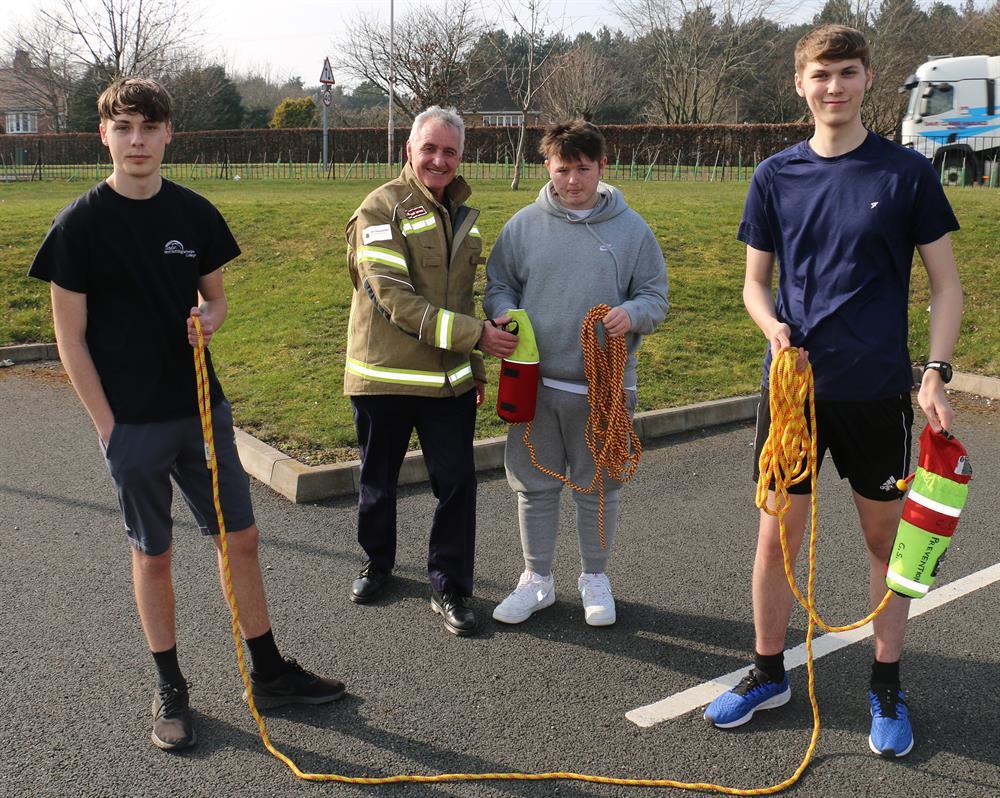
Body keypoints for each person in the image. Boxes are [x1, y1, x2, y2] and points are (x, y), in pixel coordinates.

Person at [28, 78, 344, 752]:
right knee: (155, 555)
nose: (137, 140)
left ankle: (269, 672)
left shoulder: (193, 213)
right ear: (104, 136)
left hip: (202, 411)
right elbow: (69, 340)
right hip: (132, 425)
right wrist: (108, 429)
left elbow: (216, 300)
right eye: (123, 127)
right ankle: (170, 686)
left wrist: (211, 318)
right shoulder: (77, 226)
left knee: (241, 539)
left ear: (169, 133)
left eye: (149, 127)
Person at [702, 25, 963, 760]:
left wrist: (935, 372)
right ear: (800, 84)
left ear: (867, 78)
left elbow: (947, 285)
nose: (834, 87)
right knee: (775, 538)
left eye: (847, 72)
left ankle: (886, 686)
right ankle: (767, 674)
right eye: (820, 74)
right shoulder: (774, 175)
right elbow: (755, 284)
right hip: (793, 395)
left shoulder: (907, 174)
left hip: (875, 392)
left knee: (886, 542)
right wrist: (772, 329)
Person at [484, 120, 668, 627]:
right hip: (537, 385)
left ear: (602, 166)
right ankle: (536, 579)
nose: (572, 180)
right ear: (547, 166)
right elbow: (498, 285)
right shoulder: (523, 226)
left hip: (605, 388)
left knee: (599, 486)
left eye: (583, 169)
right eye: (562, 169)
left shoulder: (632, 230)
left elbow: (655, 295)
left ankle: (595, 577)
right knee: (535, 484)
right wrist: (504, 314)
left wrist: (632, 313)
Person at [343, 106, 517, 636]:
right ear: (409, 150)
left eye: (450, 151)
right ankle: (377, 563)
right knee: (378, 481)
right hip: (385, 376)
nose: (439, 160)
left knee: (457, 485)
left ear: (460, 157)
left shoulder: (463, 214)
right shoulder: (379, 209)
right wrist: (476, 337)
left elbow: (461, 299)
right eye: (430, 149)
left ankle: (450, 586)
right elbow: (393, 298)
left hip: (450, 379)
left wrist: (477, 367)